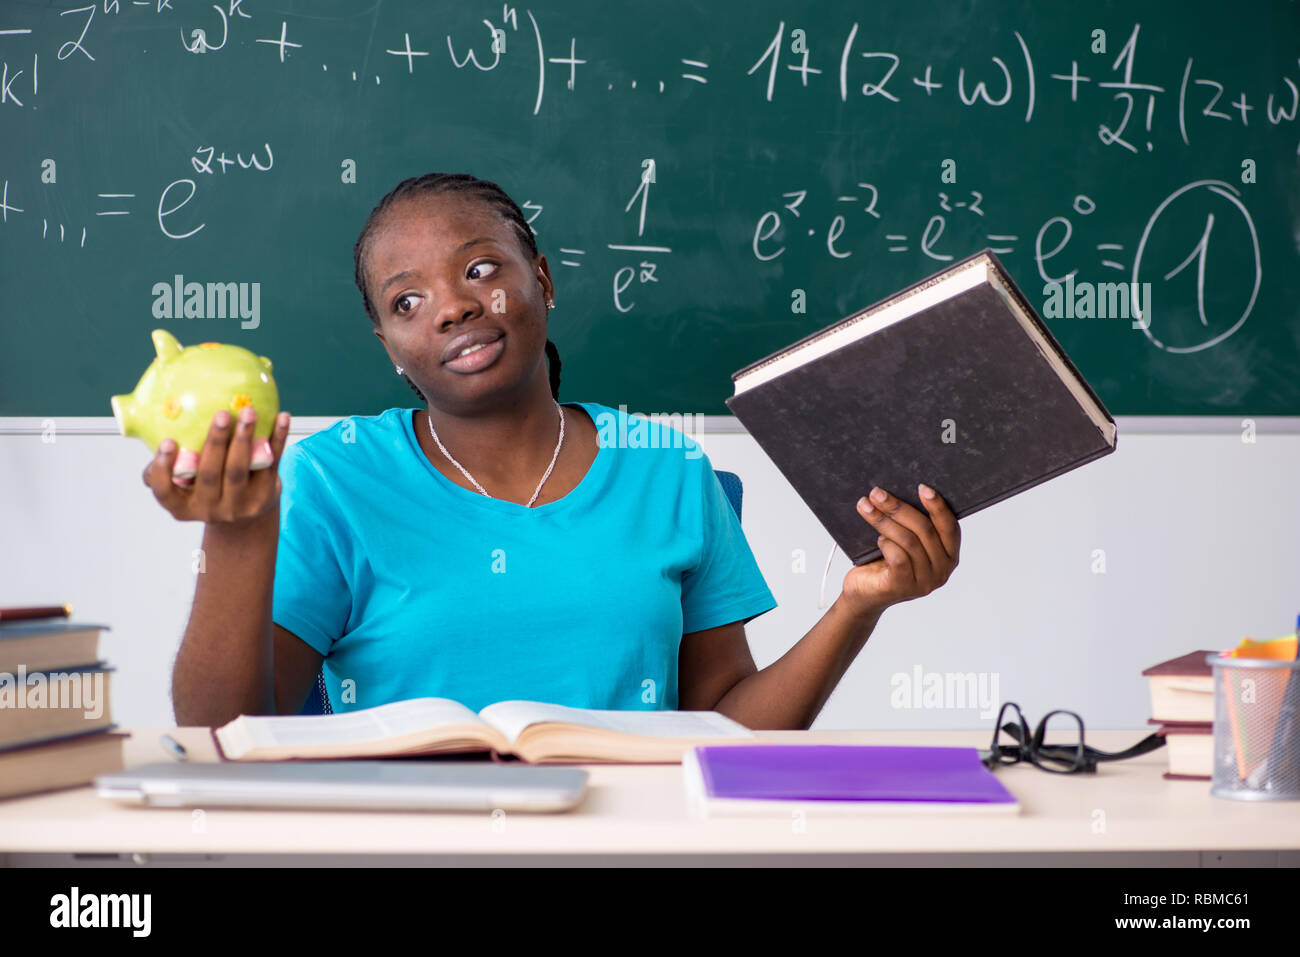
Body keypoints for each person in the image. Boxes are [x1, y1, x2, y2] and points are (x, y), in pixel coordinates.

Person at [149, 172, 961, 729]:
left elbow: (727, 729)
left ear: (541, 277)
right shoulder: (334, 478)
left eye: (480, 268)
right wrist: (238, 531)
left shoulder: (666, 469)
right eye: (408, 300)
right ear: (390, 345)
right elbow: (224, 731)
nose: (454, 307)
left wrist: (860, 604)